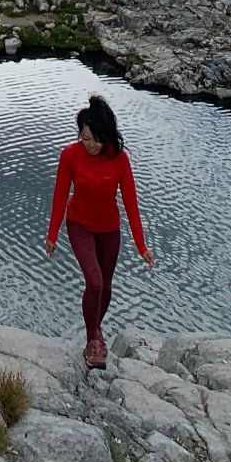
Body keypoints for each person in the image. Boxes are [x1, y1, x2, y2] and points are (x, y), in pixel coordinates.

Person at [44, 93, 152, 368]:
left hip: (109, 229)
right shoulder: (70, 155)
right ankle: (93, 339)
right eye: (84, 138)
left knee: (106, 288)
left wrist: (141, 246)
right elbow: (59, 195)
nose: (88, 144)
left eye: (92, 139)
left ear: (105, 135)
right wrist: (52, 234)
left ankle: (96, 331)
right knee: (94, 282)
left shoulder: (120, 160)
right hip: (79, 224)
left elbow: (131, 204)